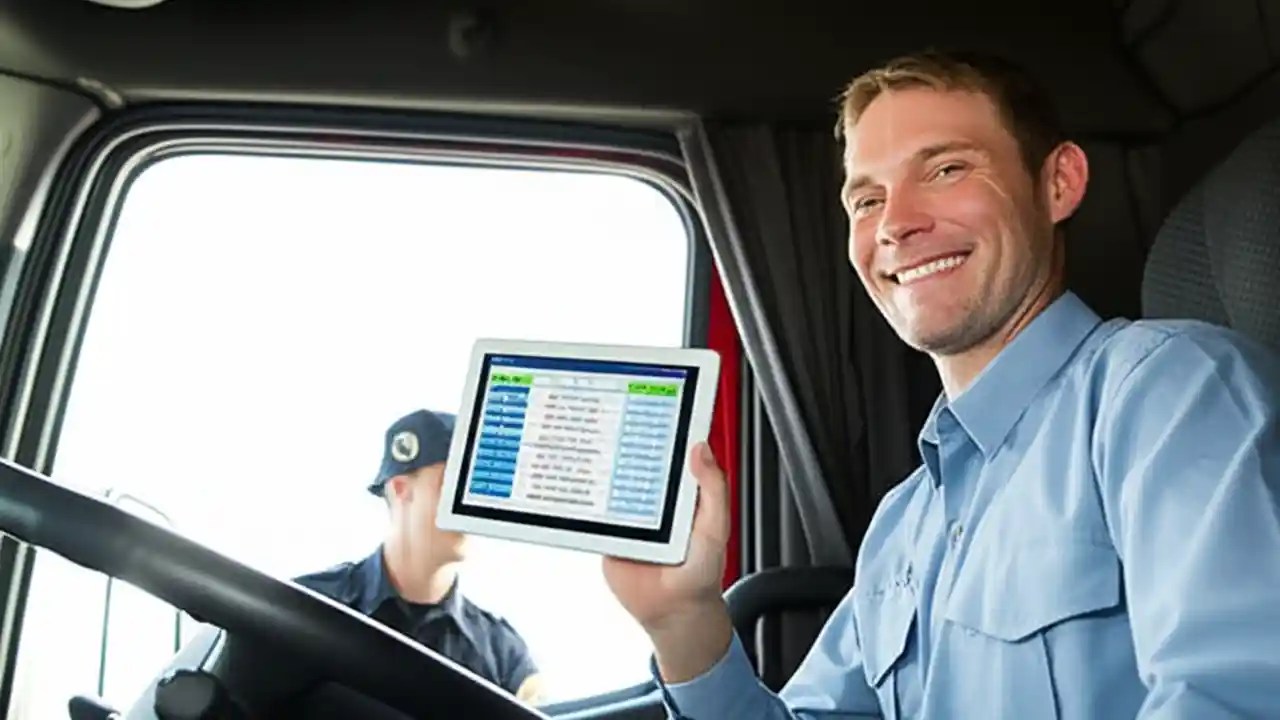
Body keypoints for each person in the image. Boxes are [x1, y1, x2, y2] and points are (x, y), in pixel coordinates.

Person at [603, 49, 1280, 719]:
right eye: (867, 200)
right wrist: (682, 621)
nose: (895, 224)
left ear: (1059, 183)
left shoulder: (1171, 394)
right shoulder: (904, 521)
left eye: (947, 169)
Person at [295, 409, 544, 704]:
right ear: (400, 489)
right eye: (454, 485)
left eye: (478, 488)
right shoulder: (306, 608)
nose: (472, 506)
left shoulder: (505, 657)